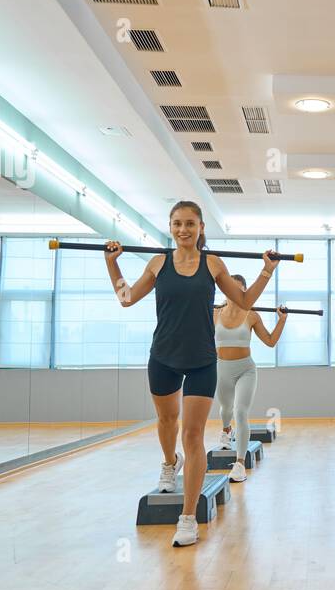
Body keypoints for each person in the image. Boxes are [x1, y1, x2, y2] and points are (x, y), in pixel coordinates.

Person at [105, 201, 277, 547]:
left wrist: (266, 271)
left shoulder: (212, 264)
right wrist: (113, 263)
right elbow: (126, 298)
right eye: (177, 223)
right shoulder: (159, 263)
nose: (183, 230)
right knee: (167, 423)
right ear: (170, 227)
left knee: (193, 434)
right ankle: (170, 463)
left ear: (200, 228)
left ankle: (187, 519)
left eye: (190, 224)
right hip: (163, 358)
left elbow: (243, 301)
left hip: (201, 360)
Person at [213, 275, 288, 483]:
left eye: (240, 291)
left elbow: (271, 341)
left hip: (246, 369)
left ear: (246, 293)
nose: (234, 295)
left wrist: (281, 321)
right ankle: (226, 430)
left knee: (240, 411)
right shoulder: (215, 313)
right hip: (221, 369)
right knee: (226, 410)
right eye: (231, 290)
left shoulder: (252, 315)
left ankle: (239, 463)